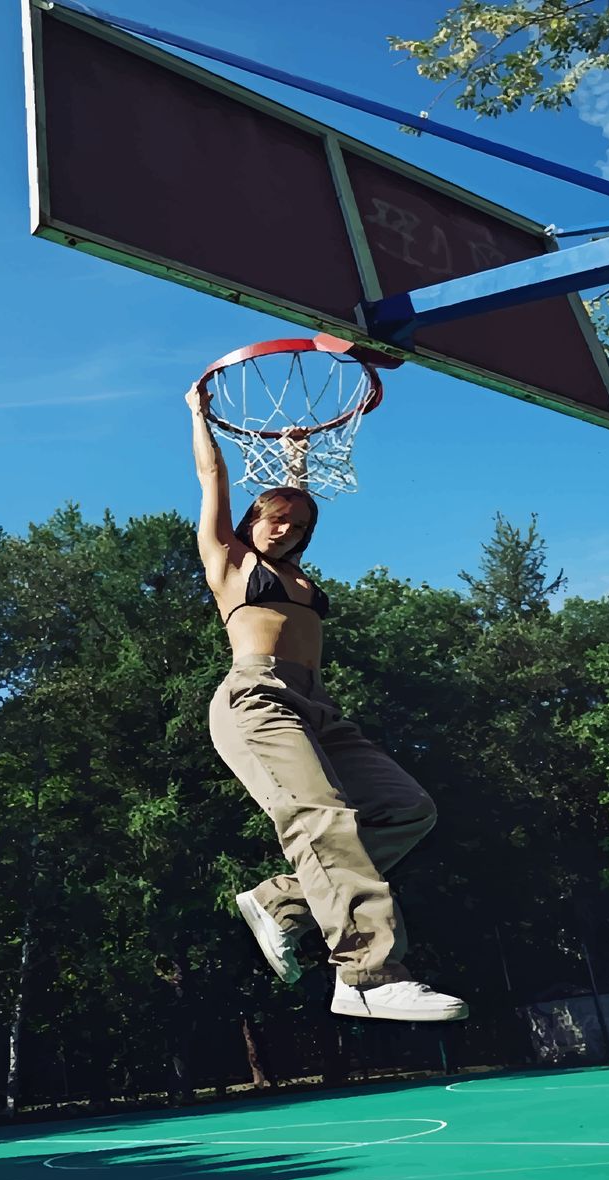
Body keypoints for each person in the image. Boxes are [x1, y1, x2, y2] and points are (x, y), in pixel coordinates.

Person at [186, 381, 468, 1022]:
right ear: (252, 519)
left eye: (299, 524)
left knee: (406, 809)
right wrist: (198, 415)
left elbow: (299, 499)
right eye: (275, 517)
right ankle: (368, 974)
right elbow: (212, 475)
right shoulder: (228, 560)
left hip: (319, 706)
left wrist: (298, 458)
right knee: (325, 819)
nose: (286, 529)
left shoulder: (301, 577)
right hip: (256, 699)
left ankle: (283, 901)